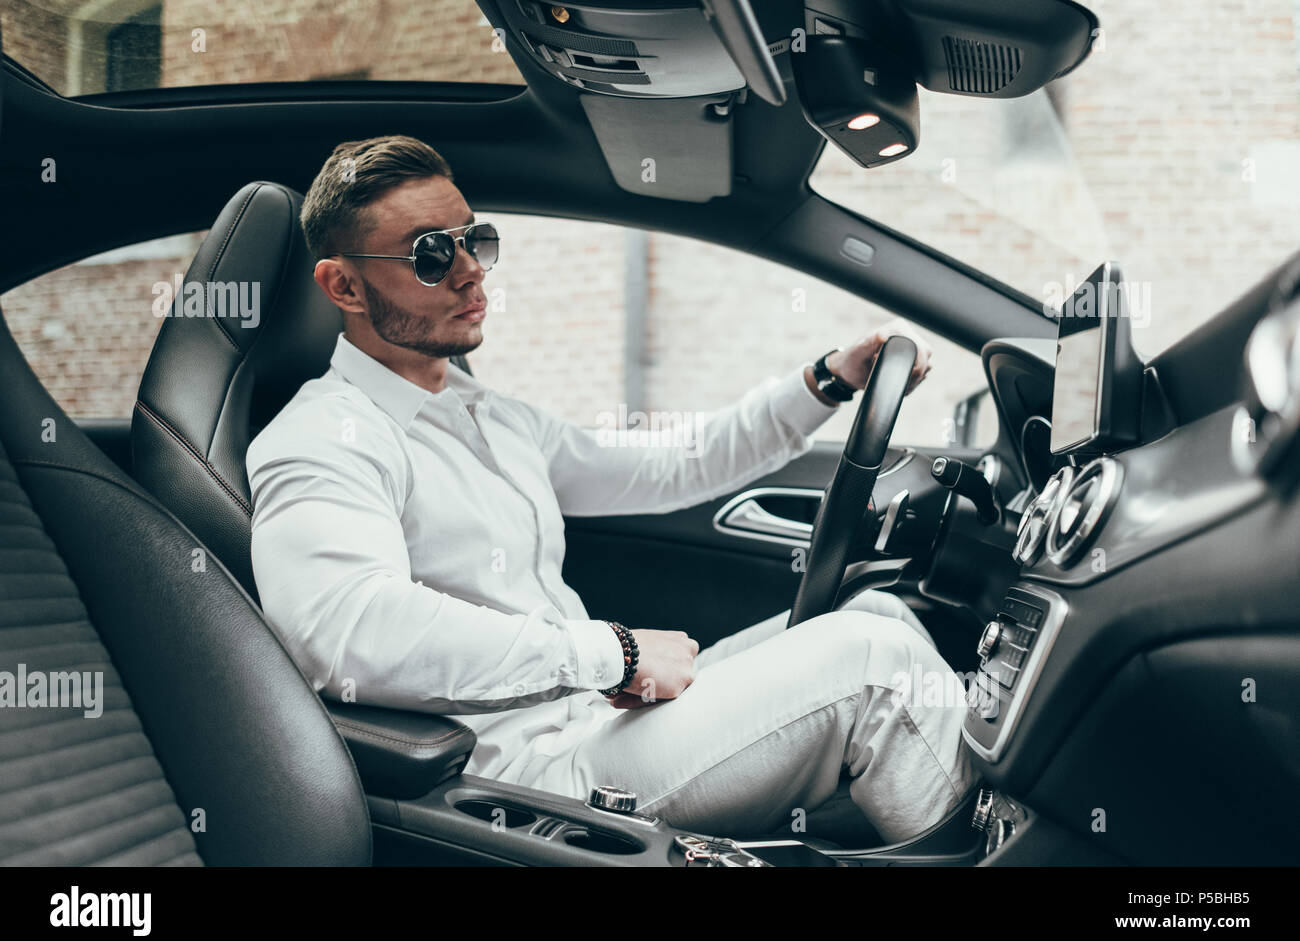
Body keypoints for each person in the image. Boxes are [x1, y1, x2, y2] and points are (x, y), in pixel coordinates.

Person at [247, 134, 977, 846]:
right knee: (881, 668)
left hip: (595, 716)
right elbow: (346, 633)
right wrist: (611, 655)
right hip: (527, 780)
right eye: (432, 254)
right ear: (343, 285)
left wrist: (824, 382)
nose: (472, 271)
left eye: (477, 240)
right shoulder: (321, 439)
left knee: (876, 609)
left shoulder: (485, 414)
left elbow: (667, 467)